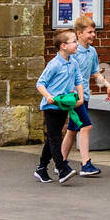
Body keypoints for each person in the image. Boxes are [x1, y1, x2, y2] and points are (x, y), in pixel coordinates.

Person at [60, 14, 110, 177]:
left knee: (72, 130)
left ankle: (60, 162)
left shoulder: (92, 51)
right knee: (86, 126)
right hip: (75, 98)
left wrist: (106, 83)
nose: (93, 35)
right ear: (79, 33)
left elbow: (95, 72)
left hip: (85, 96)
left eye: (94, 31)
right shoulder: (73, 52)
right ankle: (85, 164)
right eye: (89, 32)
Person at [34, 29, 84, 185]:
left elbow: (78, 80)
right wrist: (48, 96)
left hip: (64, 105)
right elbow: (40, 83)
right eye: (74, 41)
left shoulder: (73, 63)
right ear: (63, 46)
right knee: (55, 138)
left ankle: (41, 169)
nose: (77, 44)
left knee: (53, 138)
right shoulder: (54, 64)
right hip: (51, 106)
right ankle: (62, 169)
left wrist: (81, 98)